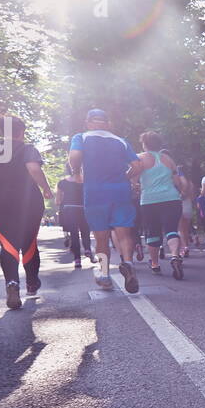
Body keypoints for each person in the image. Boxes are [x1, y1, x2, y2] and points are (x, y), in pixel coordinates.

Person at [0, 116, 53, 309]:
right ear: (21, 132)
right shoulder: (27, 148)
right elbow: (33, 168)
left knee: (8, 245)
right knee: (29, 243)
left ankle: (12, 283)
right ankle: (31, 283)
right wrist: (46, 188)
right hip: (28, 202)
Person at [68, 108, 144, 293]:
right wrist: (125, 178)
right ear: (108, 124)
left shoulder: (81, 137)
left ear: (88, 123)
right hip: (120, 192)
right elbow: (137, 165)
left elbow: (75, 156)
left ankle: (104, 275)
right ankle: (128, 263)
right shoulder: (121, 141)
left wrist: (77, 172)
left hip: (95, 193)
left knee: (101, 237)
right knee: (124, 233)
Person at [135, 132, 185, 278]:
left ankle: (155, 264)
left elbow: (134, 179)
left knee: (153, 232)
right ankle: (175, 256)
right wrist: (182, 192)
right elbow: (177, 181)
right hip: (171, 198)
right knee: (171, 229)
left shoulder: (139, 158)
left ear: (144, 144)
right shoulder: (168, 159)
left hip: (149, 200)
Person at [57, 165, 92, 268]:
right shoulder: (87, 180)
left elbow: (58, 200)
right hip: (83, 208)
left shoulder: (62, 183)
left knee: (74, 234)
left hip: (69, 210)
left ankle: (77, 259)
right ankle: (87, 249)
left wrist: (60, 202)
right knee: (85, 231)